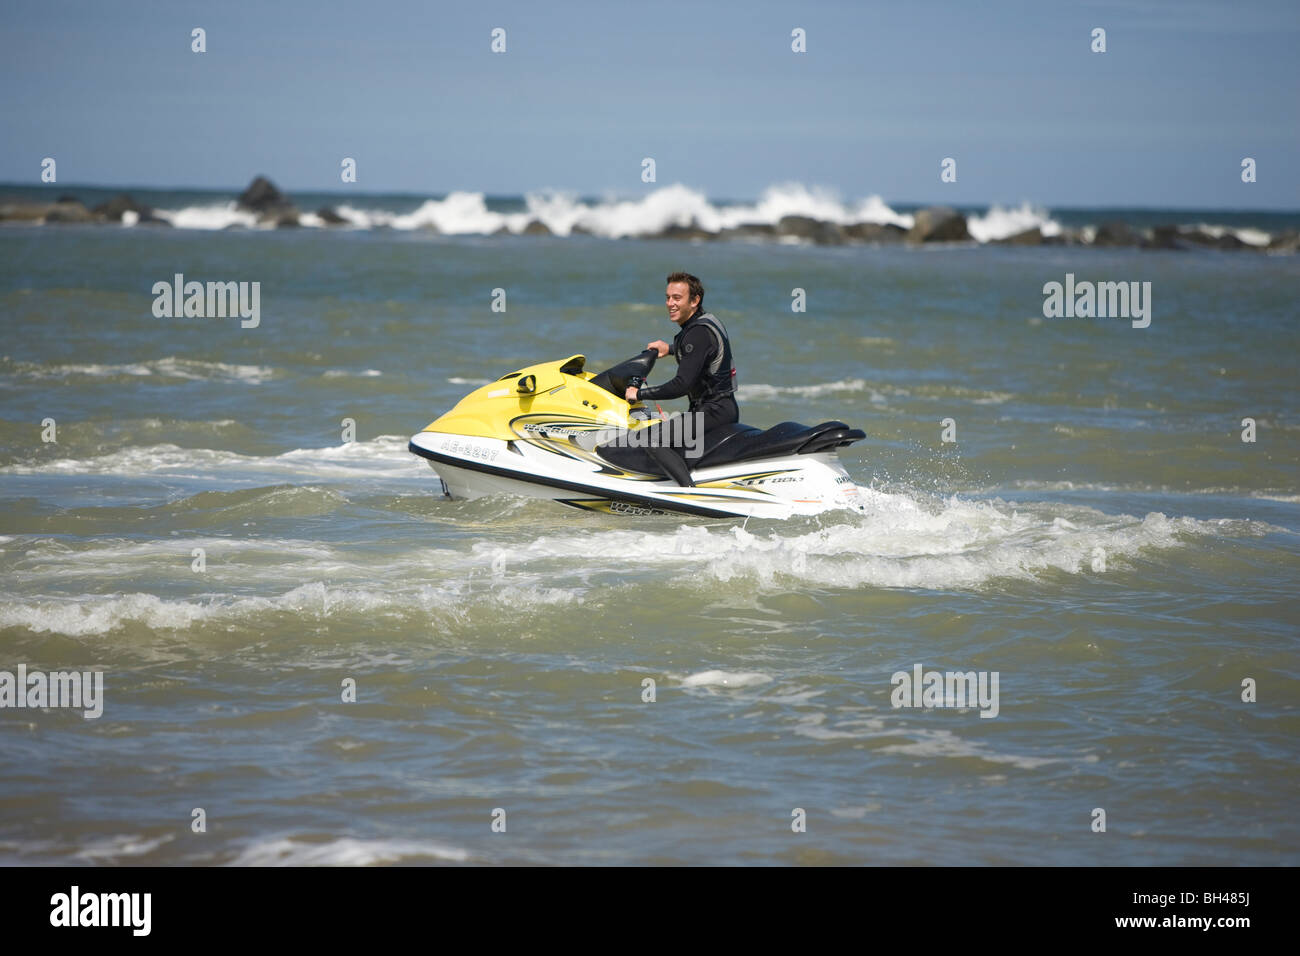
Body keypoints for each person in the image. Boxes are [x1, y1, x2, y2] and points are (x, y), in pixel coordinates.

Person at [624, 272, 738, 486]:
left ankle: (688, 494)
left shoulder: (697, 334)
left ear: (694, 301)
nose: (670, 304)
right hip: (721, 408)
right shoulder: (705, 323)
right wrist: (669, 349)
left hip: (713, 412)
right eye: (667, 297)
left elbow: (681, 385)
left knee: (650, 438)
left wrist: (639, 394)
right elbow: (698, 352)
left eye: (677, 298)